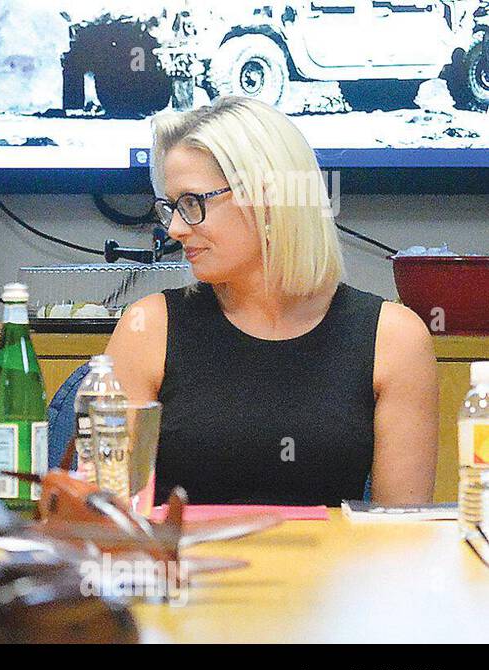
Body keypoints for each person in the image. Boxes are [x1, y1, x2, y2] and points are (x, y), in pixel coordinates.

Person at [106, 96, 436, 506]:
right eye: (170, 208)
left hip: (333, 570)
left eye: (192, 204)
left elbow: (400, 539)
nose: (174, 228)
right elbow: (110, 524)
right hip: (184, 571)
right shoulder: (149, 328)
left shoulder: (394, 338)